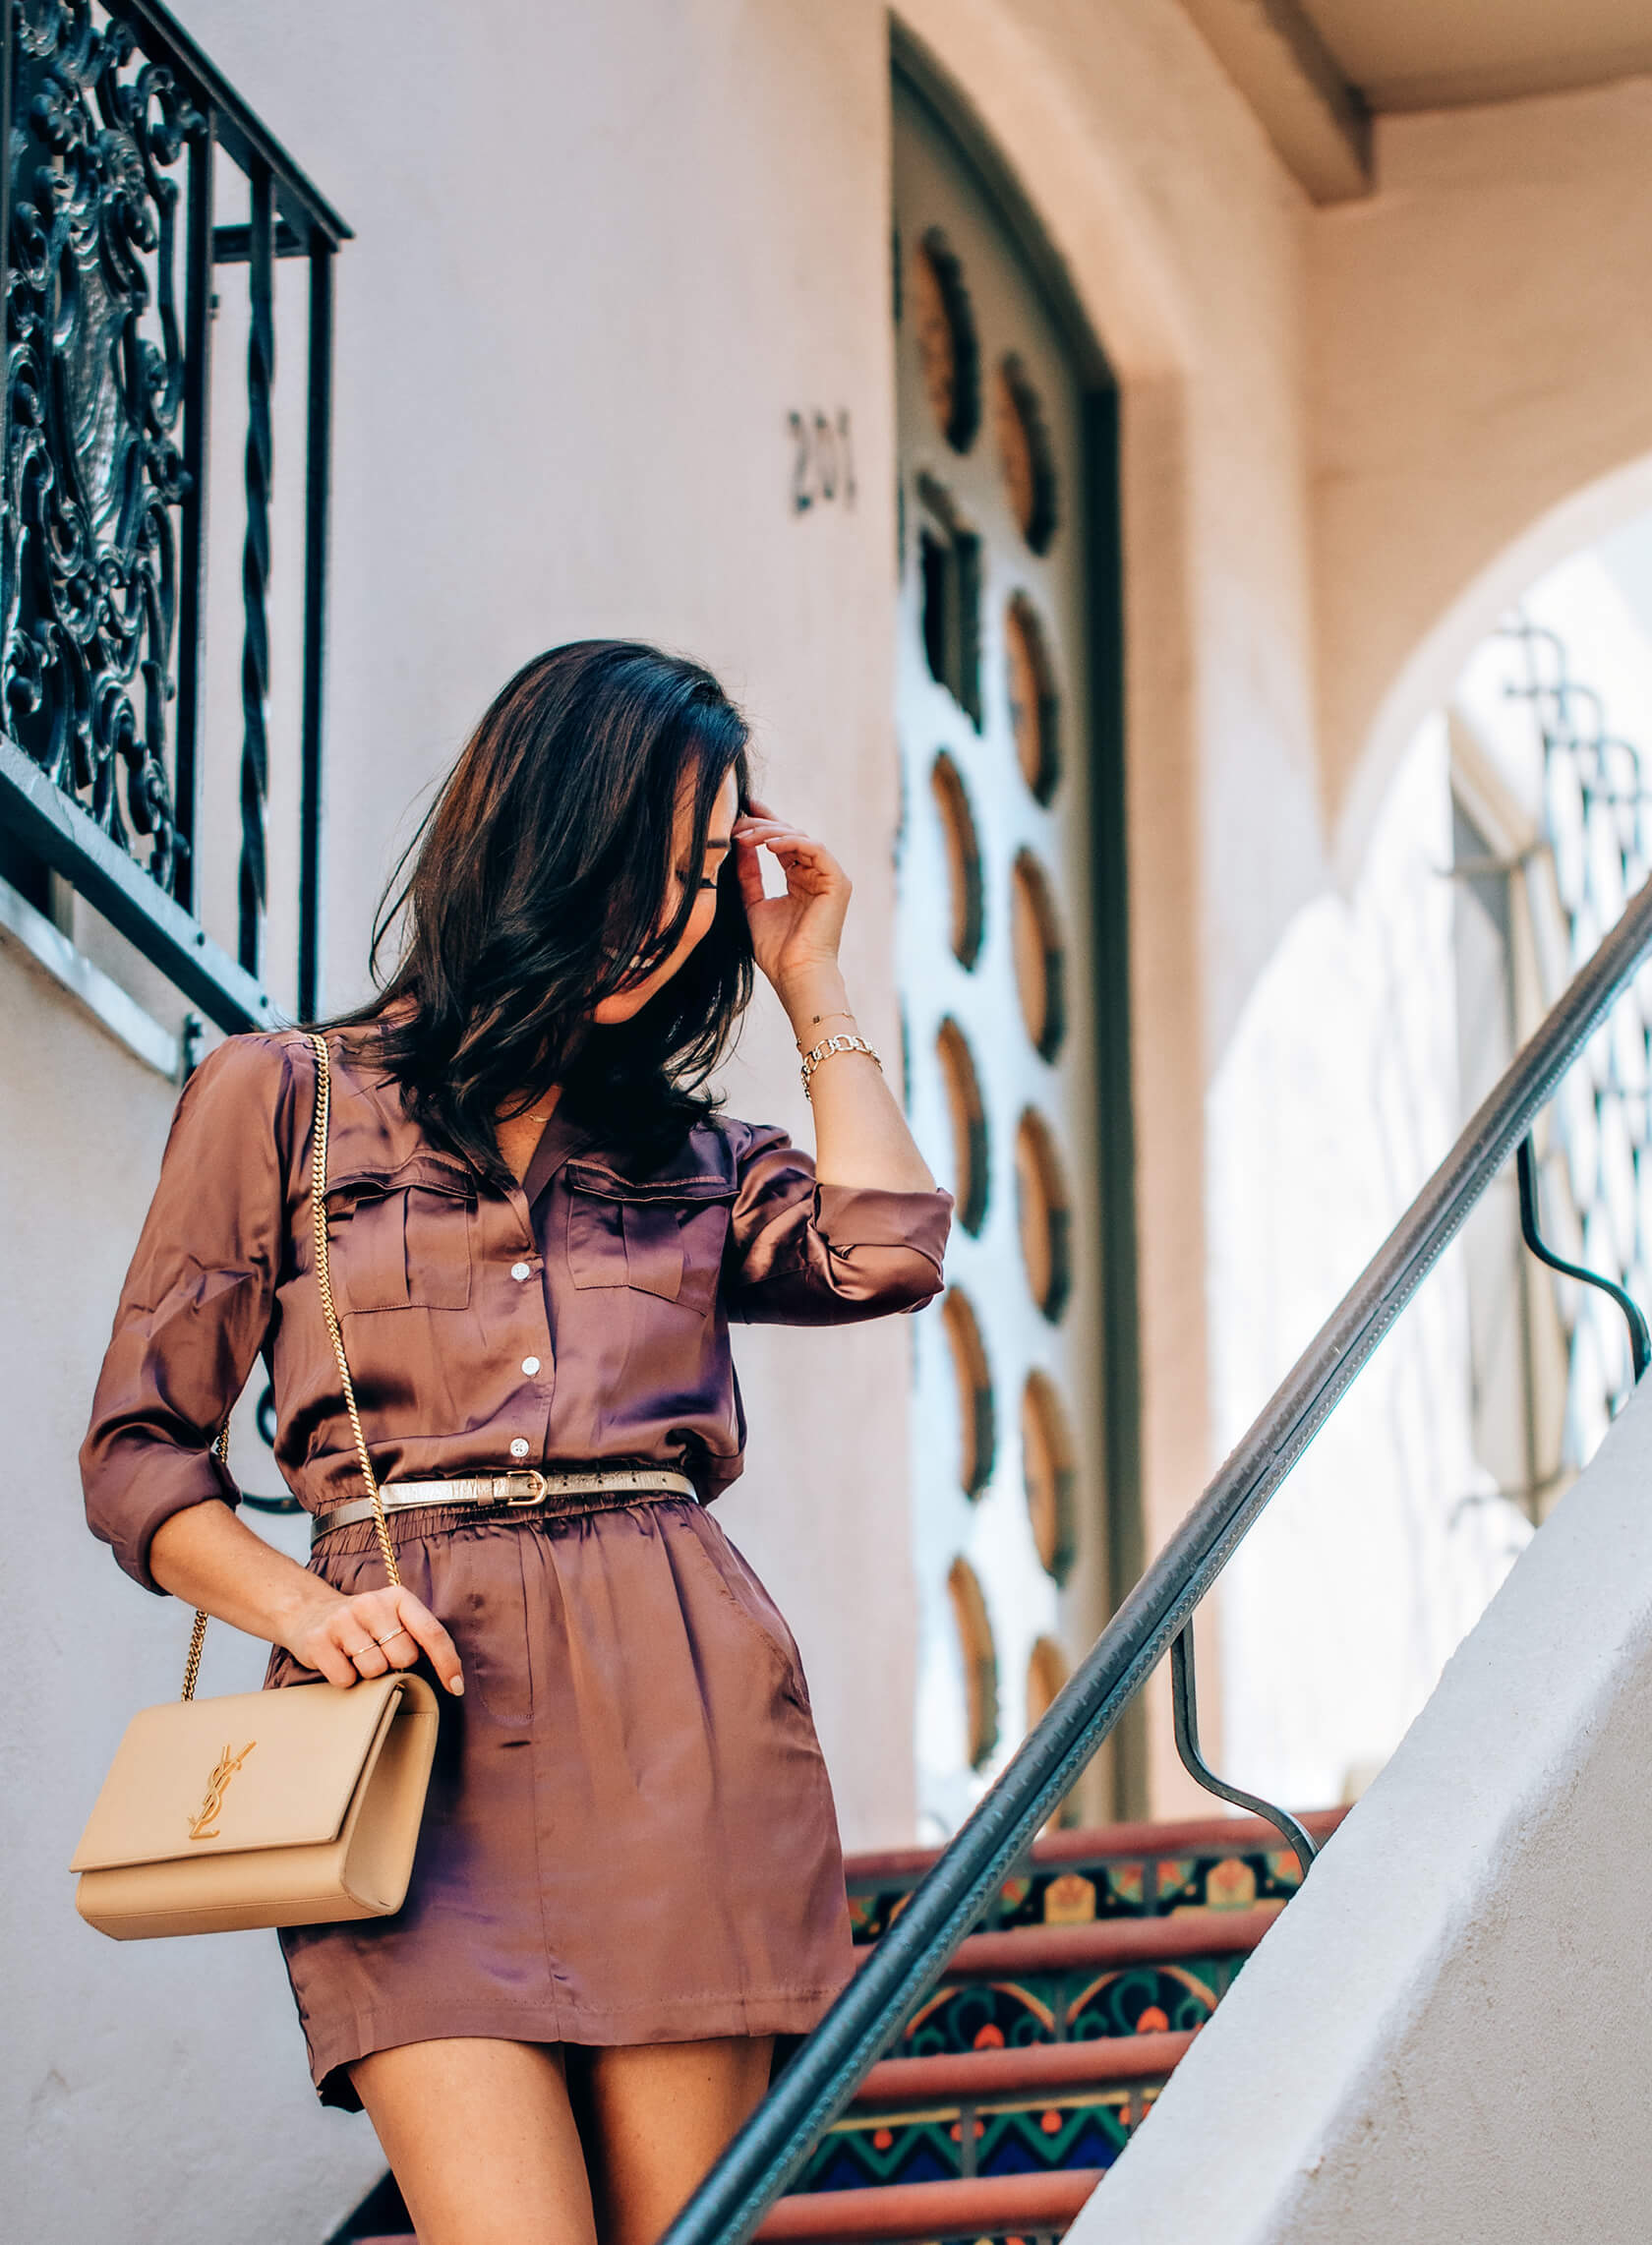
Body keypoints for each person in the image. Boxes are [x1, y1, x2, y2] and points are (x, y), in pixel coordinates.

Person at [80, 639, 954, 2245]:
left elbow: (885, 1252)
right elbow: (138, 1452)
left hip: (676, 1719)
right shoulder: (279, 1099)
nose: (678, 911)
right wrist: (302, 1607)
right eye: (648, 862)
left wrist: (810, 980)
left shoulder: (696, 1156)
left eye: (705, 876)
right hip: (412, 1735)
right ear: (544, 835)